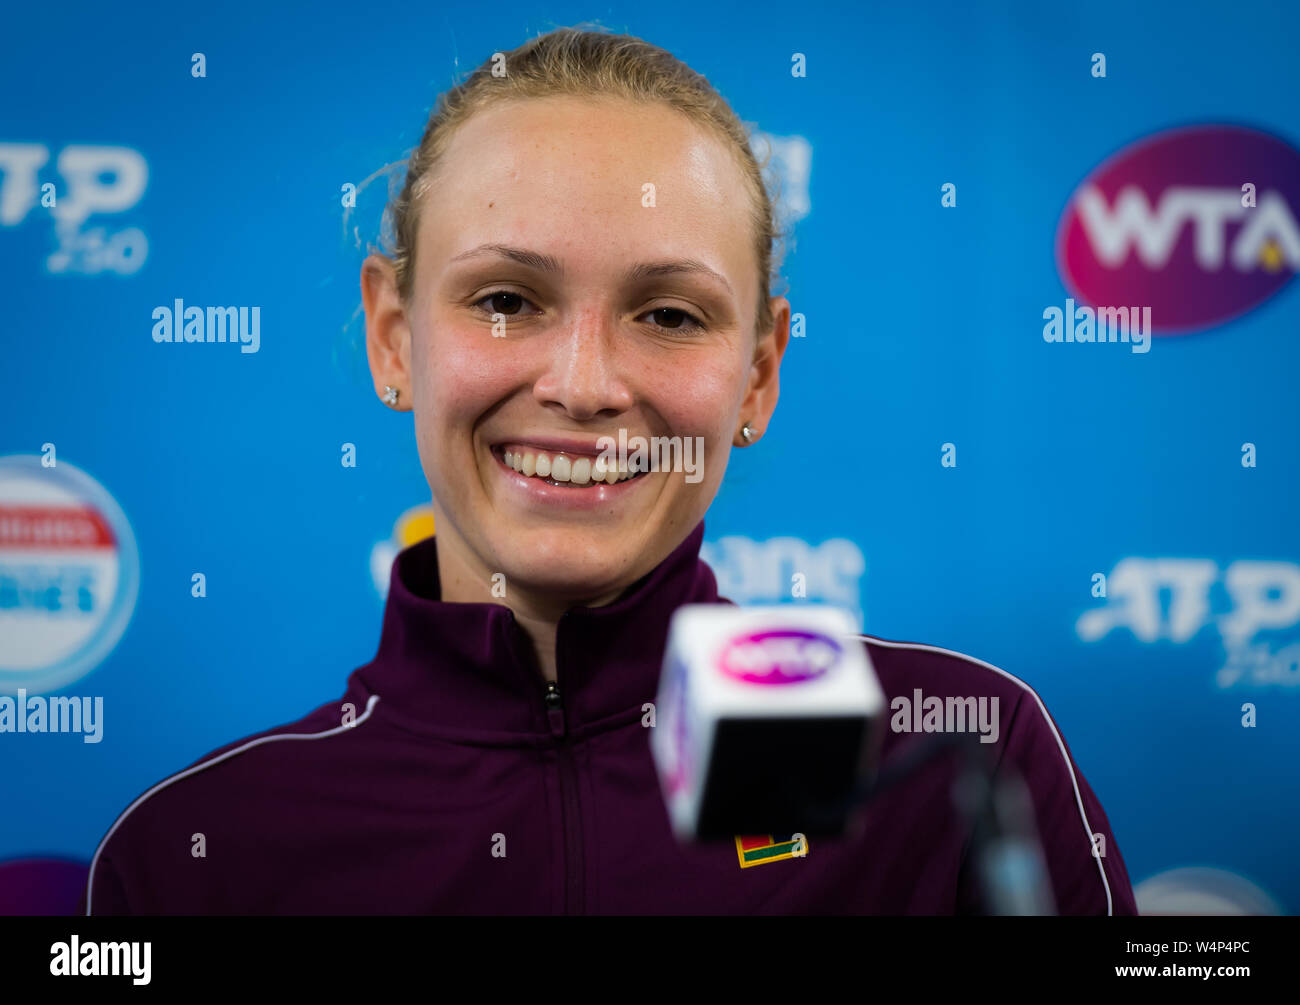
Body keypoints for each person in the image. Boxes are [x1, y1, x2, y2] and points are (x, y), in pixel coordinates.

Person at [80, 25, 1137, 915]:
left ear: (759, 373)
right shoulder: (192, 856)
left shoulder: (958, 763)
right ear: (394, 337)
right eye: (505, 301)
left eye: (668, 314)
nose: (583, 385)